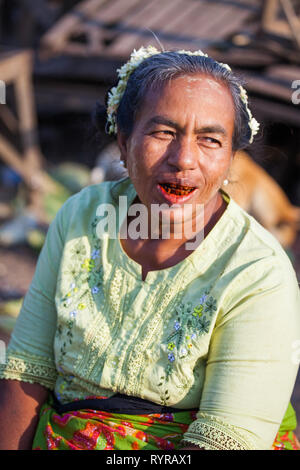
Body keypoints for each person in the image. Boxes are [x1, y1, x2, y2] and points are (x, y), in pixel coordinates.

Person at [0, 46, 300, 451]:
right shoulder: (81, 216)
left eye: (210, 139)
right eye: (163, 133)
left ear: (231, 161)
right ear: (123, 144)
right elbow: (28, 371)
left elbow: (228, 440)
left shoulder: (258, 271)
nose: (184, 159)